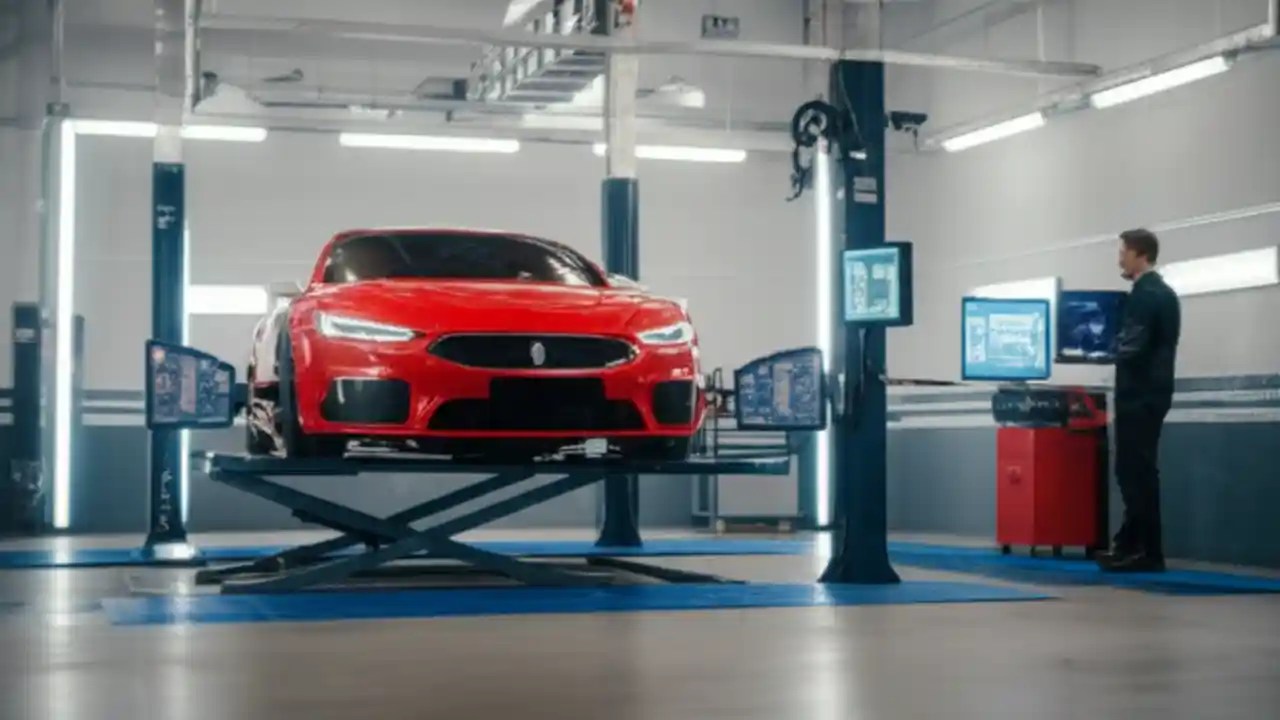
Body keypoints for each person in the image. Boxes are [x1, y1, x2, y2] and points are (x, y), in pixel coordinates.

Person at [1099, 229, 1181, 572]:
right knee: (1138, 470)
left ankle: (1146, 551)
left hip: (1139, 395)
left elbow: (1133, 345)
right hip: (1153, 393)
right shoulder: (1163, 293)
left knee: (1134, 472)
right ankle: (1131, 544)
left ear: (1140, 254)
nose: (1120, 258)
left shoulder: (1146, 295)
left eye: (1124, 252)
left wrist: (1098, 353)